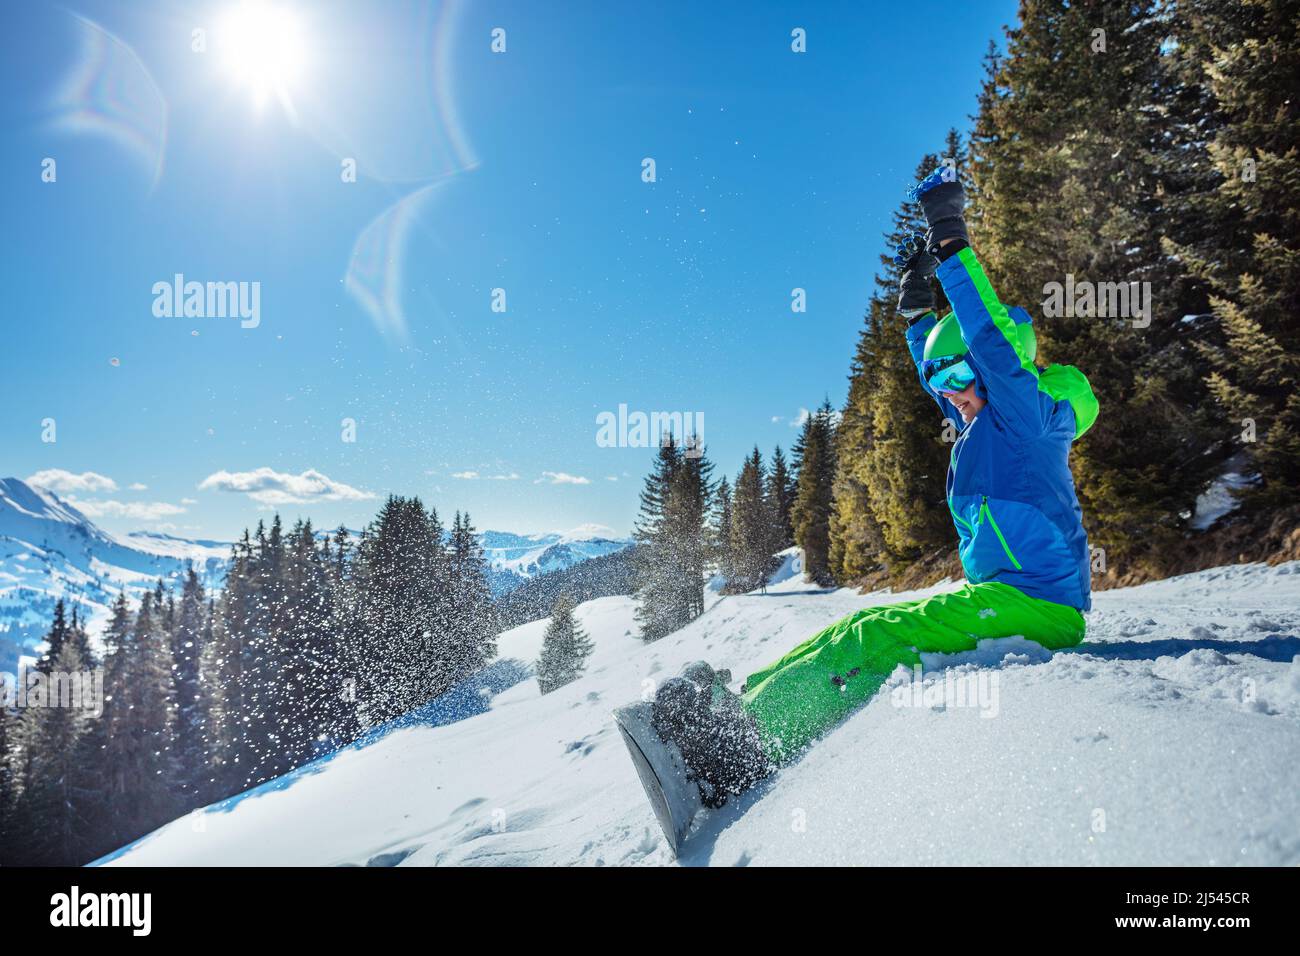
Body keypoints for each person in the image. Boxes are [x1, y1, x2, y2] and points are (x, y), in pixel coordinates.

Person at [650, 168, 1100, 806]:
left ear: (991, 371)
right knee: (852, 627)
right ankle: (737, 709)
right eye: (944, 385)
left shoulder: (1021, 418)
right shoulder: (985, 422)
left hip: (1041, 608)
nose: (947, 396)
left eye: (956, 381)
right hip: (1008, 595)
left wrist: (949, 236)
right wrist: (917, 313)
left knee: (875, 637)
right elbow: (944, 372)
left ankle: (740, 752)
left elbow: (991, 337)